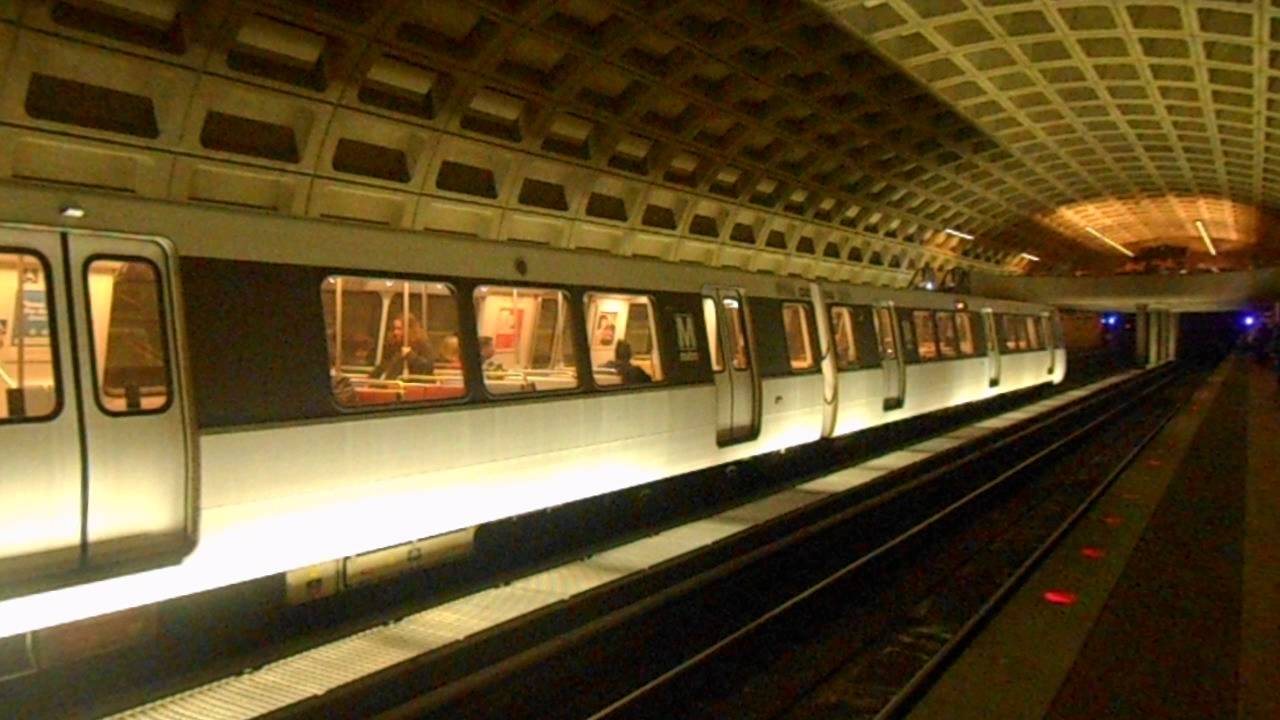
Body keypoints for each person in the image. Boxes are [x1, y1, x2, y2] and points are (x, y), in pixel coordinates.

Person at [371, 314, 434, 379]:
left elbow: (428, 368)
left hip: (416, 385)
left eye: (399, 329)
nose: (395, 332)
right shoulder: (394, 345)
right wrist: (371, 379)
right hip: (394, 384)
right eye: (394, 328)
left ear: (409, 329)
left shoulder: (423, 344)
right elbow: (384, 365)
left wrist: (411, 355)